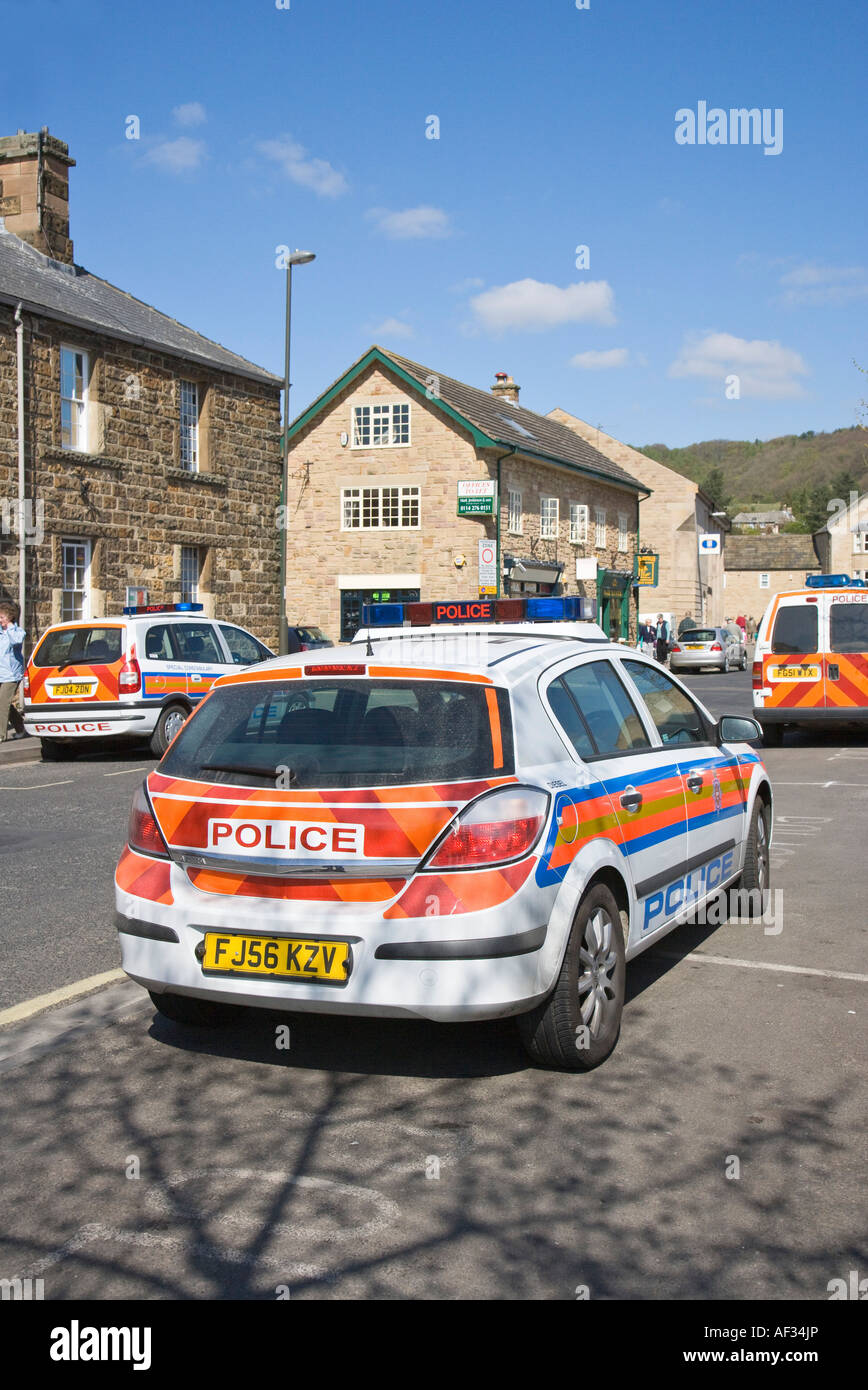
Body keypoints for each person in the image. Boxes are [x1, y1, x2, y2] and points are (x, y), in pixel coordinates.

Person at [0, 600, 26, 742]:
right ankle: (20, 727)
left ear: (10, 617)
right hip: (0, 673)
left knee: (2, 704)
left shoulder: (17, 632)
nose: (0, 620)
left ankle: (1, 735)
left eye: (2, 617)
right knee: (4, 703)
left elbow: (16, 641)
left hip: (10, 675)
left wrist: (9, 627)